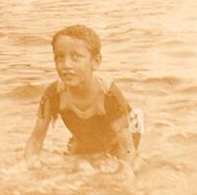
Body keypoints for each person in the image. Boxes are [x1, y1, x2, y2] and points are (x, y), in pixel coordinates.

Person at [24, 25, 139, 168]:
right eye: (60, 57)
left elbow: (128, 149)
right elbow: (36, 140)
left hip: (125, 134)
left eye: (76, 57)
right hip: (86, 137)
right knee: (78, 166)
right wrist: (28, 167)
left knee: (110, 168)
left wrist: (125, 172)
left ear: (95, 61)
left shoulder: (109, 95)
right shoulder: (54, 94)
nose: (66, 64)